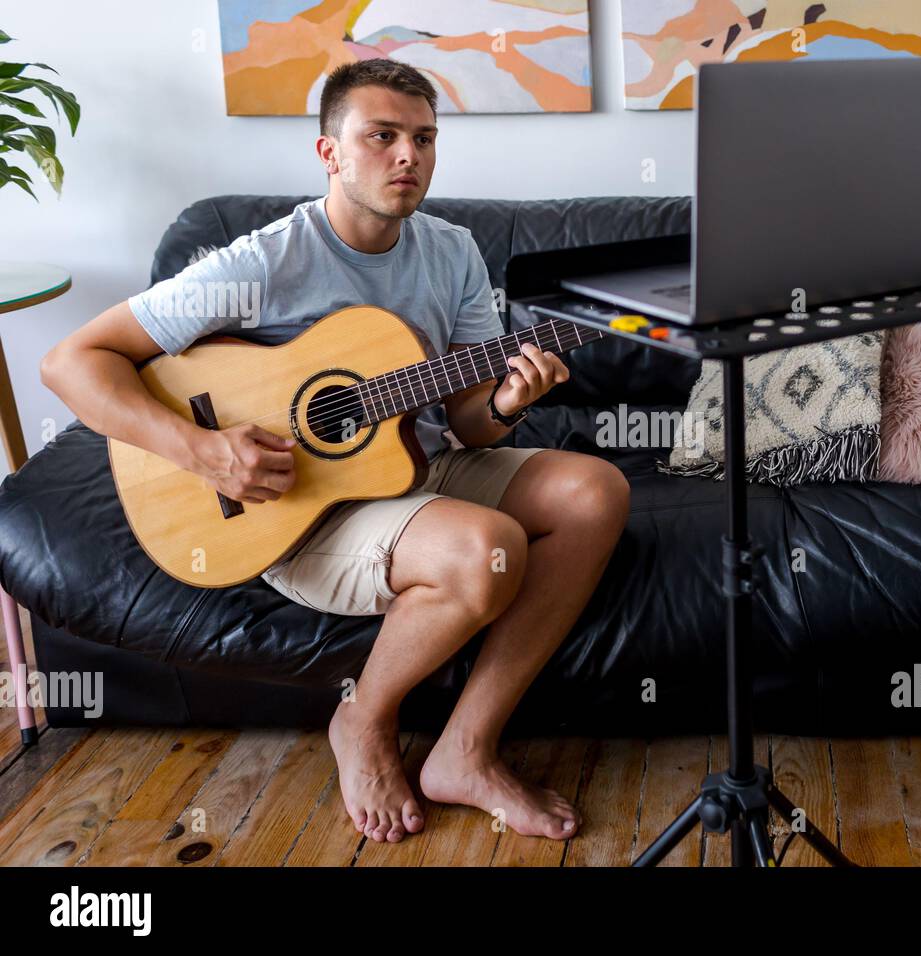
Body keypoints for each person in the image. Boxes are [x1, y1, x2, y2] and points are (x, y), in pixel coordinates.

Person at [40, 59, 630, 845]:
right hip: (294, 507)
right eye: (381, 136)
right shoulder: (262, 261)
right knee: (482, 549)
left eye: (423, 138)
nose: (407, 157)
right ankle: (362, 719)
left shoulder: (450, 252)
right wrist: (203, 450)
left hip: (412, 467)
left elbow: (466, 420)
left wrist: (503, 401)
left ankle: (464, 748)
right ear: (330, 153)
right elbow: (71, 361)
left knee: (597, 492)